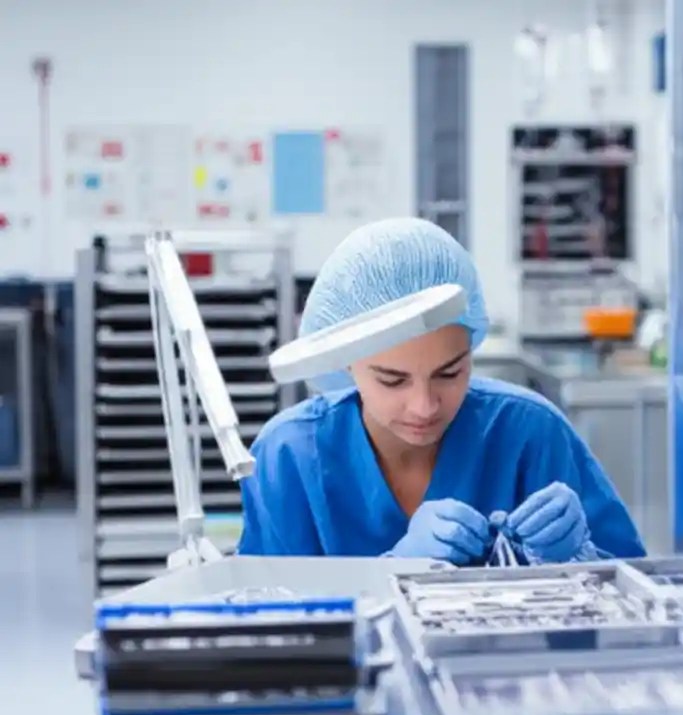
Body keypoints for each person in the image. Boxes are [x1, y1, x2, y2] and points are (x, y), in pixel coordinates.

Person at [236, 218, 646, 564]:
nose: (425, 406)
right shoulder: (288, 457)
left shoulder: (530, 434)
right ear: (346, 361)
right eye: (392, 380)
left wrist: (579, 557)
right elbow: (268, 622)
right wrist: (391, 572)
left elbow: (640, 595)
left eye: (449, 373)